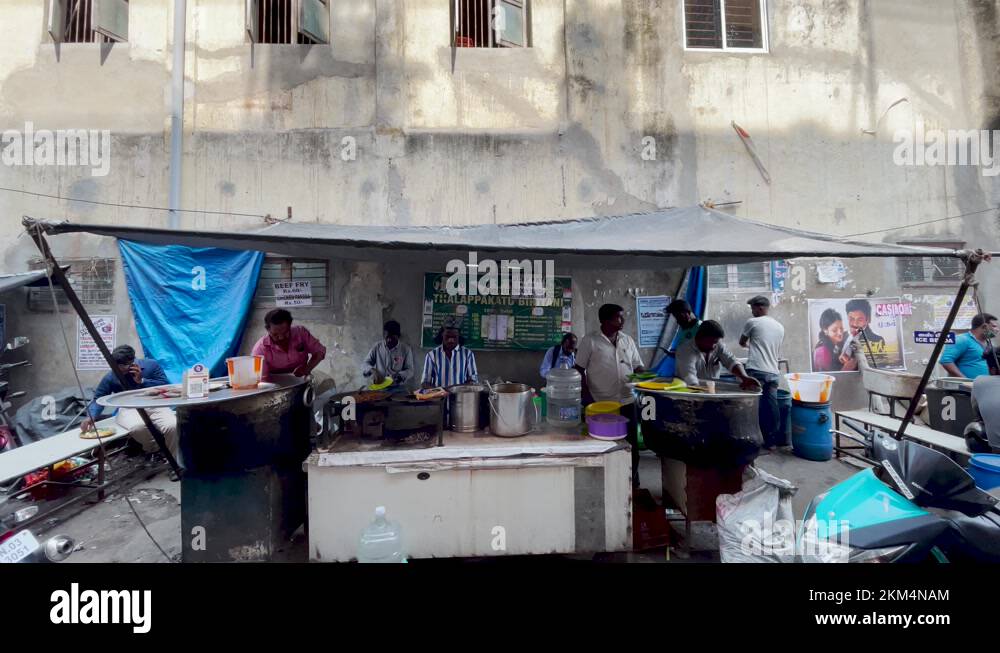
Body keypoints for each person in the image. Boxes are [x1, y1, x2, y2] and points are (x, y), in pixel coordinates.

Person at [575, 304, 645, 487]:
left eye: (622, 317)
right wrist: (586, 395)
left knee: (631, 445)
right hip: (601, 402)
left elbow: (637, 366)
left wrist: (647, 377)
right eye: (618, 317)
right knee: (603, 444)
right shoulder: (590, 341)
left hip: (628, 399)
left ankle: (631, 483)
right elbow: (579, 370)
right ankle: (605, 483)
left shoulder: (627, 340)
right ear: (605, 321)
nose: (622, 321)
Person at [79, 345, 179, 460]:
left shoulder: (151, 365)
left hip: (154, 403)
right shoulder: (111, 377)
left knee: (172, 425)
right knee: (137, 427)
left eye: (124, 365)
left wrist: (142, 381)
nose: (121, 369)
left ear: (132, 360)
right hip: (128, 408)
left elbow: (164, 385)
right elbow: (98, 398)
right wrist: (91, 416)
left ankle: (175, 460)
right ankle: (156, 450)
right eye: (117, 366)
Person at [739, 296, 786, 448]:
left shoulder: (752, 322)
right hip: (773, 372)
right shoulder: (779, 326)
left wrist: (750, 346)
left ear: (760, 308)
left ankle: (752, 440)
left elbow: (742, 342)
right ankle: (771, 441)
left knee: (751, 406)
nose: (752, 311)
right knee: (771, 407)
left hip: (756, 370)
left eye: (753, 308)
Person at [675, 320, 761, 392]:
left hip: (710, 392)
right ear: (699, 338)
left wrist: (744, 377)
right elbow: (689, 376)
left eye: (715, 342)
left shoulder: (718, 346)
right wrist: (700, 394)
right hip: (688, 395)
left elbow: (731, 361)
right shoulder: (685, 350)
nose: (713, 346)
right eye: (710, 342)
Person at [251, 309, 327, 380]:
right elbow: (259, 377)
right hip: (274, 385)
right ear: (268, 330)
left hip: (301, 379)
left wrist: (306, 369)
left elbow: (319, 351)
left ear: (290, 326)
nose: (281, 338)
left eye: (285, 333)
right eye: (275, 335)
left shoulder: (301, 333)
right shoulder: (259, 349)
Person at [421, 317, 478, 388]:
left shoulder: (468, 355)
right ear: (442, 335)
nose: (451, 340)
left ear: (459, 336)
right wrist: (439, 391)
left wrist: (455, 389)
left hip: (460, 397)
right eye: (447, 337)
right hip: (438, 398)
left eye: (454, 337)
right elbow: (425, 383)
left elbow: (473, 381)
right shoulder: (432, 355)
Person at [940, 313, 999, 379]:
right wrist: (966, 381)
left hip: (984, 386)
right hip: (965, 388)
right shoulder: (962, 339)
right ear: (984, 326)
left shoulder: (990, 343)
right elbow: (946, 361)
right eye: (994, 326)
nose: (997, 330)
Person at [362, 320, 415, 390]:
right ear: (384, 335)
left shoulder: (406, 349)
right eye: (387, 337)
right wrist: (373, 370)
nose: (389, 340)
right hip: (379, 386)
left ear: (398, 336)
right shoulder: (377, 347)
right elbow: (365, 363)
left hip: (398, 387)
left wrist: (399, 375)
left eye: (392, 338)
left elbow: (410, 370)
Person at [839, 298, 885, 369]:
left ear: (868, 319)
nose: (855, 323)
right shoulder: (843, 335)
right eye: (851, 319)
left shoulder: (877, 340)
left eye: (859, 320)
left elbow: (879, 369)